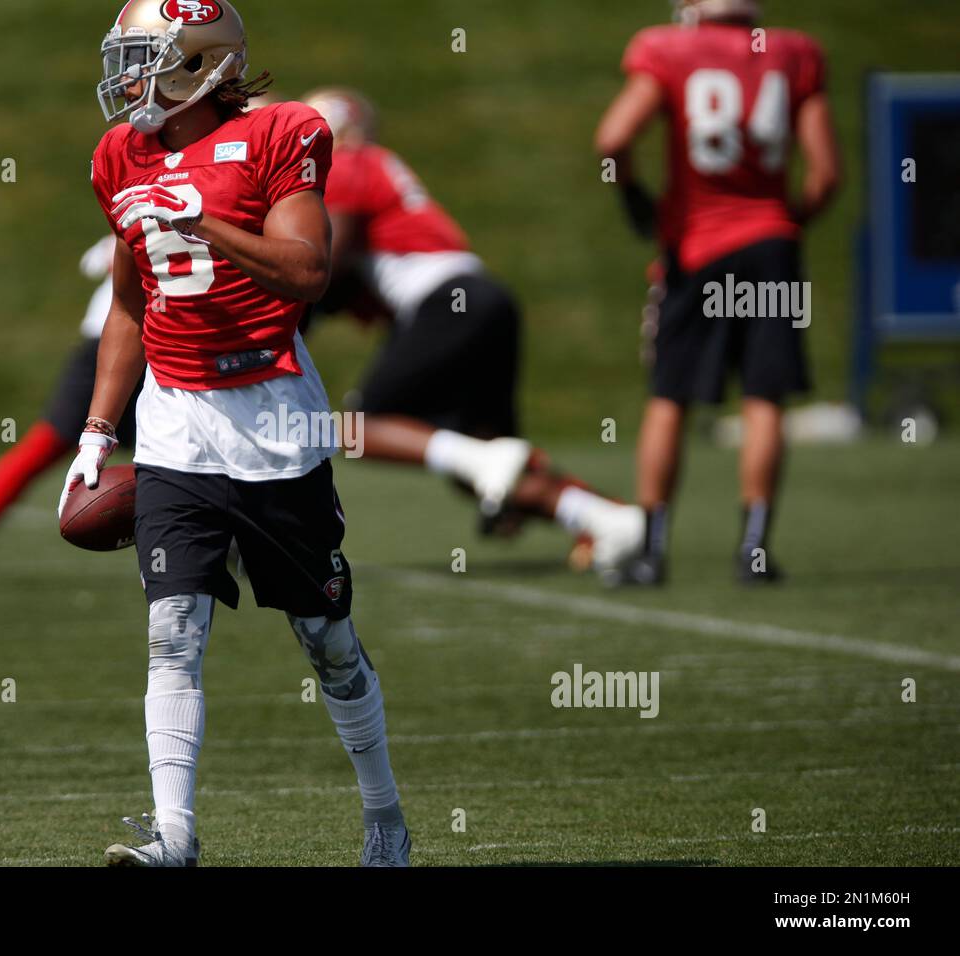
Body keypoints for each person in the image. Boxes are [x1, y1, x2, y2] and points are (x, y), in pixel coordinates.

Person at [66, 0, 408, 866]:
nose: (127, 76)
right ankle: (174, 837)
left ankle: (385, 820)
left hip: (273, 415)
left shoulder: (280, 134)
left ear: (201, 62)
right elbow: (129, 306)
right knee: (171, 630)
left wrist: (204, 223)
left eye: (144, 57)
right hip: (175, 420)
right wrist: (99, 430)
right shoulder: (121, 154)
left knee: (327, 641)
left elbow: (307, 269)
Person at [303, 87, 645, 576]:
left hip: (448, 302)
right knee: (483, 460)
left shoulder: (348, 163)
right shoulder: (378, 165)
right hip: (482, 299)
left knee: (354, 428)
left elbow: (324, 268)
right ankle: (611, 518)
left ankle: (490, 465)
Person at [594, 0, 839, 584]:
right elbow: (827, 175)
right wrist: (786, 227)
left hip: (699, 247)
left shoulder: (669, 48)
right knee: (764, 396)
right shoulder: (793, 53)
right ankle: (754, 548)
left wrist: (635, 198)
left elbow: (613, 138)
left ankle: (652, 552)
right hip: (771, 247)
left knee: (670, 396)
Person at [0, 238, 141, 591]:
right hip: (110, 344)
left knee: (188, 461)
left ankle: (226, 547)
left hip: (169, 348)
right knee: (41, 449)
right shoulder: (147, 199)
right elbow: (95, 260)